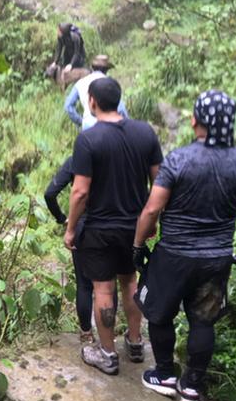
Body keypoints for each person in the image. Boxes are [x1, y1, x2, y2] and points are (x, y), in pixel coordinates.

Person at [133, 89, 236, 401]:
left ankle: (164, 374)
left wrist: (138, 245)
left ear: (196, 121)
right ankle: (191, 388)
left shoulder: (179, 159)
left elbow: (152, 210)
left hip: (173, 256)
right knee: (203, 322)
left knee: (159, 314)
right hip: (216, 259)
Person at [64, 77, 163, 375]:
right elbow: (159, 181)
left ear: (91, 101)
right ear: (119, 100)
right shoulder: (145, 133)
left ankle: (107, 354)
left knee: (103, 290)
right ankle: (135, 343)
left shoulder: (88, 139)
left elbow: (80, 192)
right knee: (130, 282)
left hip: (99, 228)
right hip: (134, 226)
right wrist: (152, 220)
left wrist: (70, 228)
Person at [44, 154, 117, 345]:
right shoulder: (115, 155)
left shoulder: (77, 159)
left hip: (83, 228)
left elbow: (50, 193)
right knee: (108, 285)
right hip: (113, 225)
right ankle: (109, 335)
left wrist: (62, 219)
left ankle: (86, 333)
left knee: (84, 284)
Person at [63, 54, 127, 128]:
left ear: (92, 68)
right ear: (106, 70)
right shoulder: (110, 84)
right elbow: (121, 109)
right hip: (108, 125)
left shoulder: (80, 83)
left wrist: (80, 121)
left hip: (88, 124)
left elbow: (68, 106)